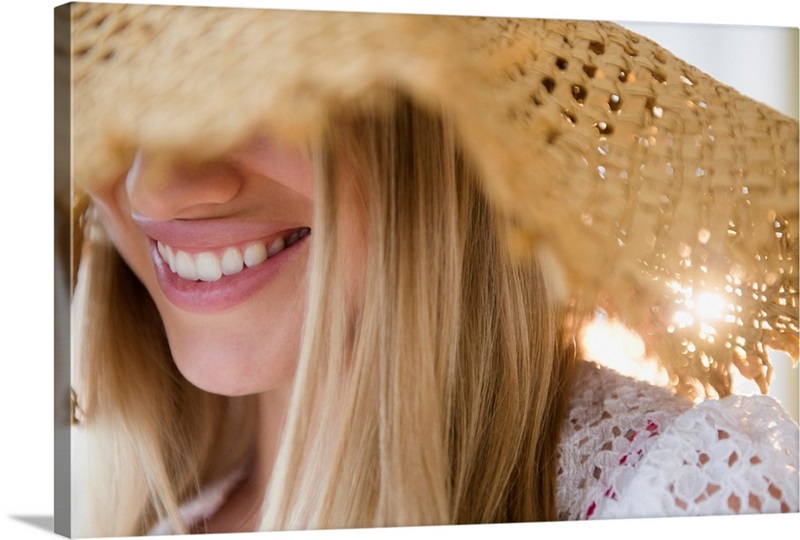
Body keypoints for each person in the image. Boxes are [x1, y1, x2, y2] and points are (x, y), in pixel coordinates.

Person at [62, 4, 799, 537]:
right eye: (114, 88)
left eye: (241, 90)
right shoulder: (147, 520)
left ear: (444, 118)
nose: (150, 188)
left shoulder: (683, 497)